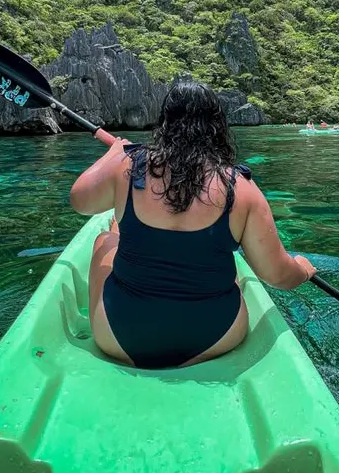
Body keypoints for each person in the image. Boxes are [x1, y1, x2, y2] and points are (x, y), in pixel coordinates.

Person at [70, 81, 316, 369]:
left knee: (105, 240)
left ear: (165, 123)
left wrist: (115, 153)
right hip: (216, 338)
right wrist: (303, 269)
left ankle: (117, 233)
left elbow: (80, 201)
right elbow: (278, 276)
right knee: (229, 266)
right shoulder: (242, 189)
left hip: (119, 336)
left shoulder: (128, 167)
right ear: (218, 127)